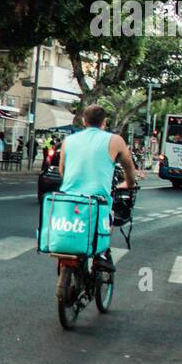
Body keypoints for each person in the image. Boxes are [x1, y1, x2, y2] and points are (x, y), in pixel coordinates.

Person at [58, 104, 139, 271]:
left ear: (83, 120)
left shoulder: (68, 140)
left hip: (68, 198)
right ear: (105, 122)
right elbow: (129, 168)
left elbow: (62, 171)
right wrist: (129, 184)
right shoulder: (115, 140)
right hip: (97, 199)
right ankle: (101, 253)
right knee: (109, 213)